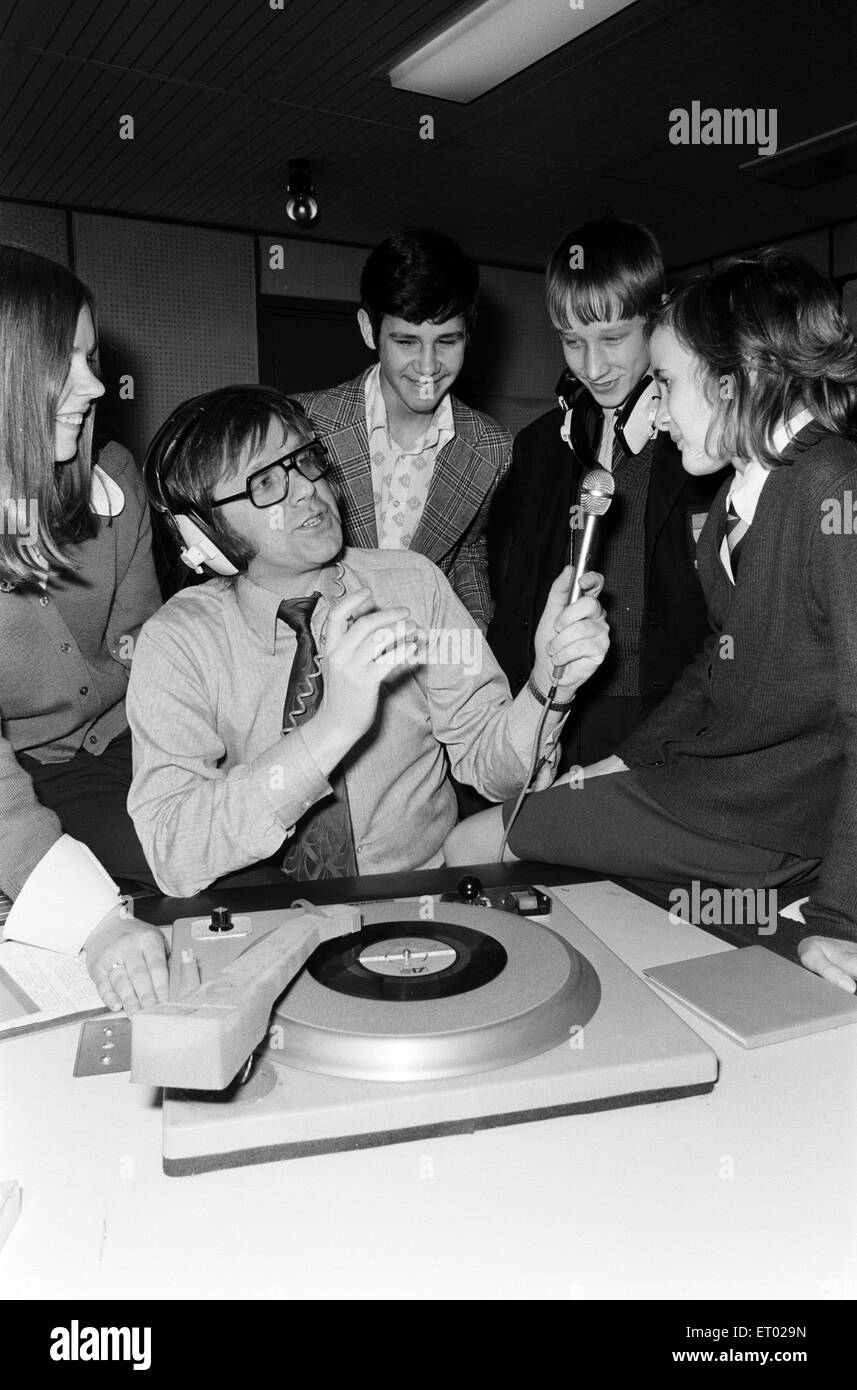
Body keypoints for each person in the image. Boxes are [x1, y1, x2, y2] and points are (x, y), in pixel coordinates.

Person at [447, 248, 857, 992]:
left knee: (471, 841)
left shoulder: (831, 486)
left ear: (742, 380)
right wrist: (613, 766)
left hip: (756, 817)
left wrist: (843, 920)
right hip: (717, 795)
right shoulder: (749, 490)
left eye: (666, 383)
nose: (656, 409)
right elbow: (711, 665)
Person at [125, 386, 607, 897]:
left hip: (419, 901)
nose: (307, 489)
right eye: (265, 482)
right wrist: (331, 729)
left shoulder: (414, 587)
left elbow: (496, 772)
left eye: (305, 461)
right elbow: (174, 850)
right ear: (203, 534)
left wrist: (546, 685)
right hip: (259, 913)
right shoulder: (177, 643)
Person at [488, 216, 725, 768]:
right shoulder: (540, 446)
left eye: (613, 339)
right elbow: (518, 598)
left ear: (657, 319)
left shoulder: (704, 446)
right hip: (561, 708)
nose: (592, 367)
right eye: (573, 343)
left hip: (671, 715)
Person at [0, 244, 168, 1012]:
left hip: (122, 753)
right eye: (65, 359)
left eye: (92, 356)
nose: (96, 384)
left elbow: (153, 659)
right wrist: (96, 923)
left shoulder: (116, 483)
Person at [294, 228, 511, 633]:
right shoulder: (301, 425)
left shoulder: (492, 449)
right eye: (407, 342)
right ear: (367, 329)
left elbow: (466, 551)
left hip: (427, 661)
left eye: (446, 341)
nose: (428, 367)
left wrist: (477, 630)